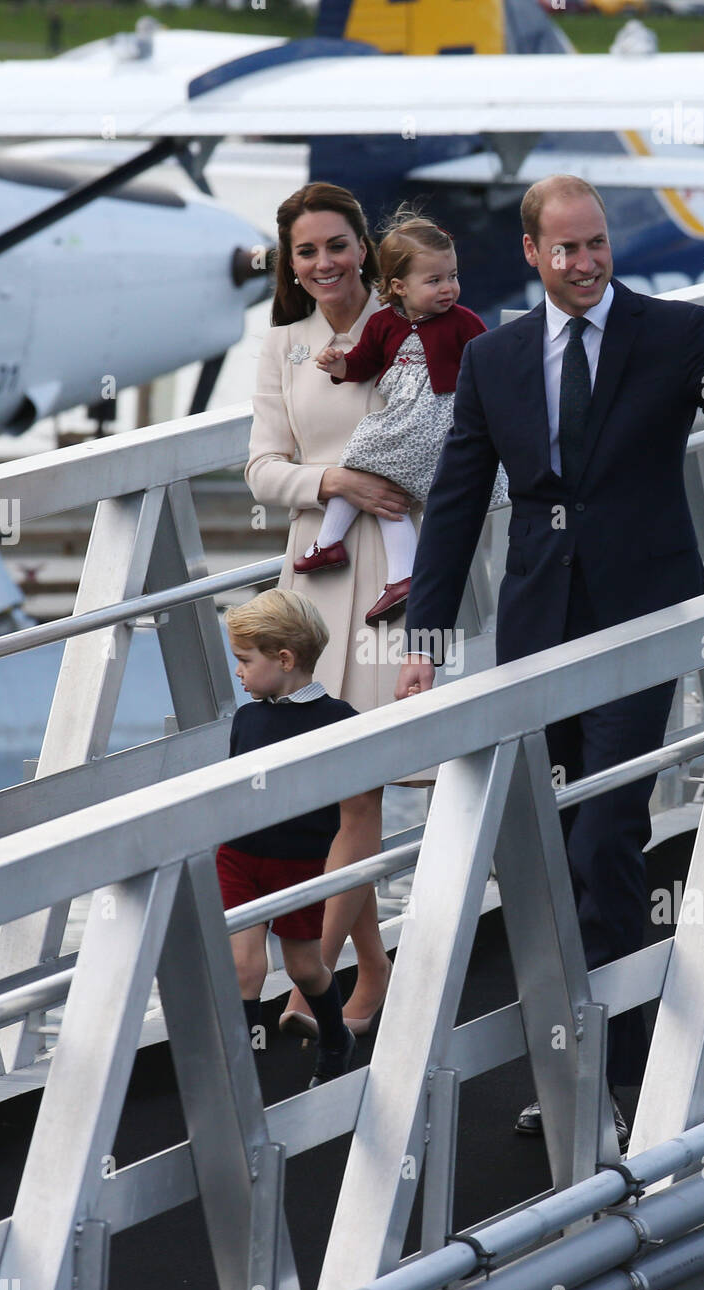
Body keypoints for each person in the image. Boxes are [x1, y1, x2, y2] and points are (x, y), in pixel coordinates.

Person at [396, 176, 704, 1138]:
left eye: (597, 245)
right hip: (537, 632)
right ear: (531, 254)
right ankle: (586, 1045)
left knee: (603, 833)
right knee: (540, 848)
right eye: (564, 250)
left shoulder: (672, 333)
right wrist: (423, 643)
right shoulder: (492, 361)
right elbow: (454, 504)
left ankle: (610, 1075)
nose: (584, 264)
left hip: (643, 619)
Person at [243, 182, 409, 1042]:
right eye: (305, 252)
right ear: (290, 264)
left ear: (362, 245)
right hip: (314, 573)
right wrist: (330, 480)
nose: (323, 264)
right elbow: (262, 468)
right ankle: (370, 970)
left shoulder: (408, 316)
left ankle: (312, 991)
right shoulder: (281, 342)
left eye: (337, 245)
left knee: (360, 792)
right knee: (335, 797)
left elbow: (453, 431)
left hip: (395, 571)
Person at [306, 211, 507, 625]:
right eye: (434, 281)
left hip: (436, 422)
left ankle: (329, 543)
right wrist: (337, 365)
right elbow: (361, 364)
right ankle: (396, 575)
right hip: (405, 422)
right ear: (399, 287)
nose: (449, 288)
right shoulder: (384, 324)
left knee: (362, 456)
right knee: (381, 489)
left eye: (452, 276)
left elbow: (492, 363)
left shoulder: (463, 322)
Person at [217, 590, 357, 1087]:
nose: (238, 672)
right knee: (241, 965)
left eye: (244, 661)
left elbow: (355, 797)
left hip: (298, 862)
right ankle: (244, 1081)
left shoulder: (339, 720)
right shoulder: (248, 717)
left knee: (304, 967)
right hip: (238, 856)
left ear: (284, 659)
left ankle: (336, 1036)